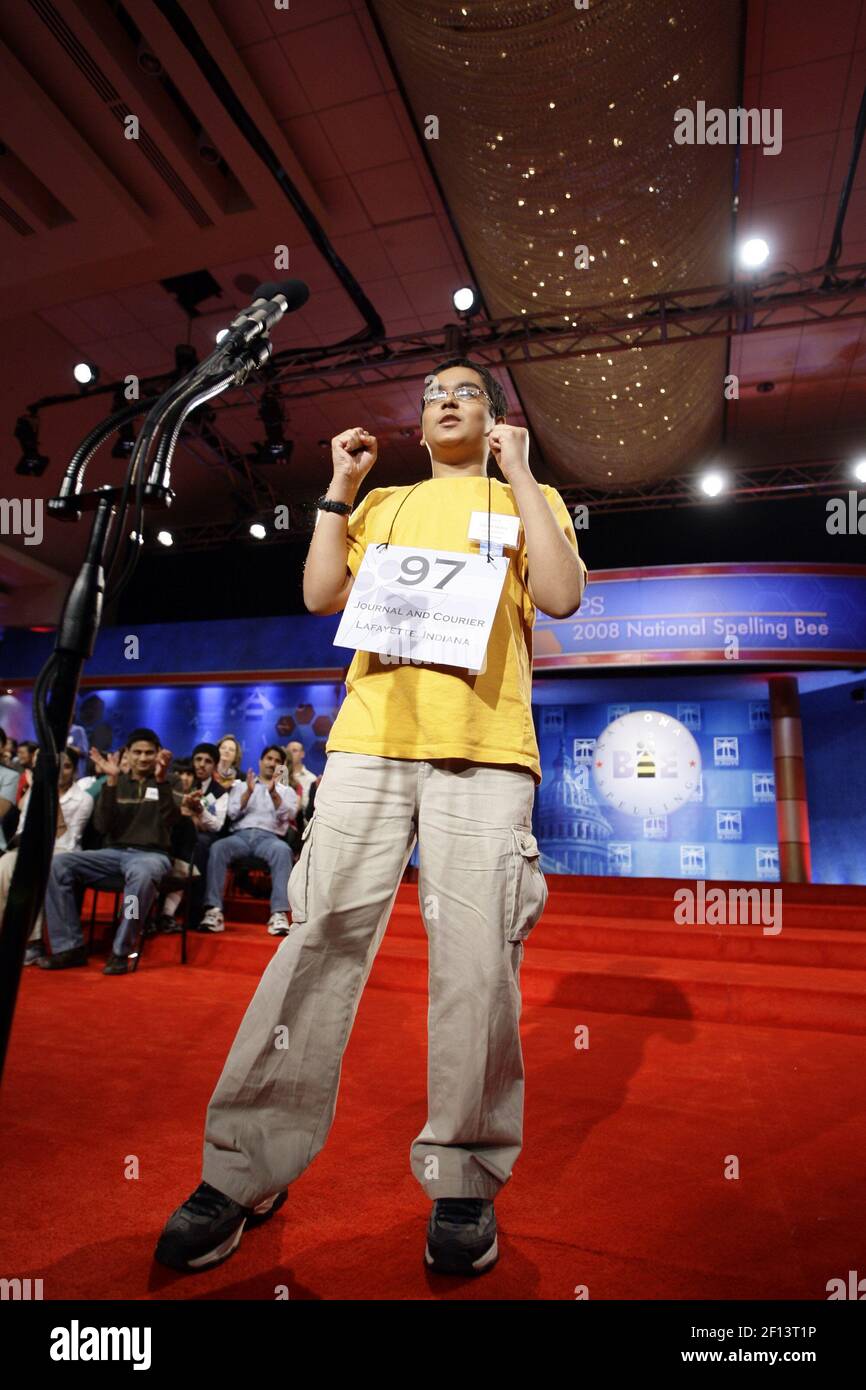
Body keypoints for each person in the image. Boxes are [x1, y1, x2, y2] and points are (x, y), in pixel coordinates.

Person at [155, 357, 587, 1278]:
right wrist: (339, 488)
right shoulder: (383, 504)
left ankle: (464, 1179)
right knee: (316, 945)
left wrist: (519, 475)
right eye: (432, 392)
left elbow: (559, 597)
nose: (444, 401)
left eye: (466, 390)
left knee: (477, 967)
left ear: (496, 417)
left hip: (485, 753)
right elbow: (319, 595)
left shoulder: (529, 494)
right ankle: (245, 1169)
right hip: (367, 748)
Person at [40, 728, 179, 975]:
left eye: (149, 752)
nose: (143, 757)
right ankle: (69, 947)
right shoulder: (115, 781)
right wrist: (111, 783)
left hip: (151, 856)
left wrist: (161, 780)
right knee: (57, 864)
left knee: (139, 884)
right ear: (128, 754)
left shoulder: (169, 781)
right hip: (113, 853)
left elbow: (171, 821)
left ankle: (121, 950)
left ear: (158, 754)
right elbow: (103, 825)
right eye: (137, 752)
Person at [0, 749, 94, 965]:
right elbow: (22, 831)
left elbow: (68, 841)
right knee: (4, 866)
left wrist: (52, 799)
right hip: (30, 848)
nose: (60, 772)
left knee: (41, 868)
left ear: (74, 771)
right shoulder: (34, 792)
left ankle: (34, 942)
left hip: (62, 852)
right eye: (55, 767)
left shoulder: (83, 799)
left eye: (67, 767)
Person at [198, 745, 297, 937]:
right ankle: (213, 911)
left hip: (270, 838)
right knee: (218, 847)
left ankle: (278, 914)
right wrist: (248, 793)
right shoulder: (241, 785)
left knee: (283, 851)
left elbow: (290, 814)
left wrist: (274, 793)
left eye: (277, 761)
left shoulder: (286, 790)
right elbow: (232, 813)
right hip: (240, 837)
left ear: (282, 766)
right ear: (260, 762)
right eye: (268, 758)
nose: (272, 763)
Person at [283, 740, 318, 818]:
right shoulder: (279, 776)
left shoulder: (311, 778)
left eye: (294, 750)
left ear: (302, 754)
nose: (290, 753)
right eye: (288, 751)